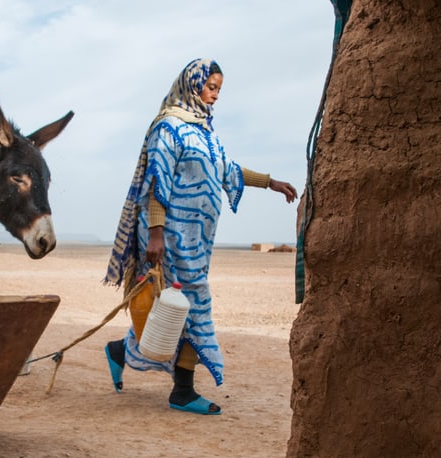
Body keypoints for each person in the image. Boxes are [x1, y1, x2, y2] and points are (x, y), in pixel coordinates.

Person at [103, 58, 297, 415]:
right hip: (171, 238)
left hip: (198, 240)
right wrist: (156, 235)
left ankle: (119, 351)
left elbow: (227, 169)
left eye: (219, 89)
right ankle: (183, 391)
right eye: (211, 87)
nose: (216, 96)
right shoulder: (169, 127)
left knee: (173, 311)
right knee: (193, 305)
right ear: (193, 84)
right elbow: (157, 182)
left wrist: (270, 182)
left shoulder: (205, 132)